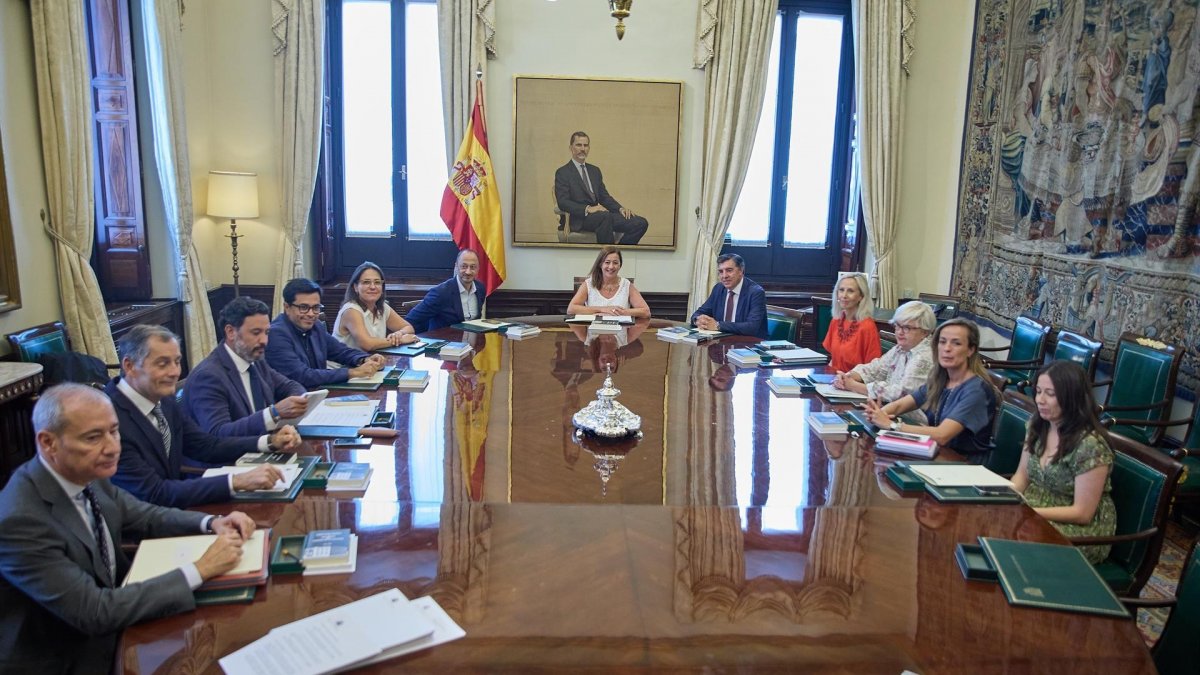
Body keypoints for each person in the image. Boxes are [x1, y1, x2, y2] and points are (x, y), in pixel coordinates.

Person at [0, 384, 256, 673]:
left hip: (119, 624)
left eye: (114, 431)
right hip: (69, 658)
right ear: (48, 443)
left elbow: (144, 515)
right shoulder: (19, 519)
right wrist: (201, 568)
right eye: (93, 437)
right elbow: (95, 612)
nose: (112, 447)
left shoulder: (86, 472)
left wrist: (210, 522)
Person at [107, 325, 301, 508]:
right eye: (163, 364)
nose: (174, 372)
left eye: (176, 361)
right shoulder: (109, 419)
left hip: (175, 509)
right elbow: (154, 492)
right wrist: (236, 481)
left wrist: (270, 442)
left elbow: (207, 446)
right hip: (142, 529)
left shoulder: (162, 400)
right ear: (130, 366)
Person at [1011, 361, 1117, 563]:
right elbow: (1021, 477)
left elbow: (1082, 513)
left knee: (1015, 545)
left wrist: (1026, 513)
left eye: (1050, 394)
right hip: (1033, 511)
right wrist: (1004, 500)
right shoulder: (1036, 425)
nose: (1040, 400)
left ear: (1072, 397)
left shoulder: (1090, 445)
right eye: (1039, 391)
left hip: (1077, 528)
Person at [866, 318, 999, 459]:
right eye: (942, 342)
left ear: (970, 350)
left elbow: (942, 435)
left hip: (963, 465)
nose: (947, 348)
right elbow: (900, 405)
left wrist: (892, 426)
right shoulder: (940, 379)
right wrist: (879, 414)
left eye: (956, 343)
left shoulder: (977, 390)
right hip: (934, 455)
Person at [183, 297, 308, 438]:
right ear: (230, 332)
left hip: (263, 447)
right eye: (256, 333)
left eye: (266, 333)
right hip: (229, 458)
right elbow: (218, 434)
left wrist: (296, 403)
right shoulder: (207, 376)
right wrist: (273, 414)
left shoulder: (255, 360)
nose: (264, 341)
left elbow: (290, 386)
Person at [266, 277, 387, 387]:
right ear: (287, 307)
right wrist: (353, 372)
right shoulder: (276, 334)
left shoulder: (316, 326)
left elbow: (340, 351)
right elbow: (302, 376)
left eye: (316, 308)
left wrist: (365, 359)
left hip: (318, 394)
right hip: (292, 403)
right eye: (303, 308)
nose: (311, 314)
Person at [554, 131, 649, 245]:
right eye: (579, 145)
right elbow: (563, 202)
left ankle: (617, 253)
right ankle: (606, 256)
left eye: (586, 145)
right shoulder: (563, 172)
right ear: (571, 148)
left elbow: (604, 197)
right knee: (605, 216)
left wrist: (620, 209)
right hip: (579, 219)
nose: (582, 149)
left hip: (602, 216)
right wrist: (588, 208)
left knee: (640, 222)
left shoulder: (595, 171)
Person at [833, 301, 936, 402]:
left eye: (907, 328)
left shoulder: (925, 356)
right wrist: (847, 377)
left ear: (925, 332)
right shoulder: (901, 348)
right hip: (889, 411)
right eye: (897, 326)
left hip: (912, 417)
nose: (899, 332)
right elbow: (875, 368)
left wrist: (854, 386)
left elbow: (901, 393)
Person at [332, 261, 419, 348]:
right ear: (355, 287)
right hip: (346, 361)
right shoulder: (351, 310)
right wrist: (400, 340)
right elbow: (367, 344)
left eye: (377, 282)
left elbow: (408, 328)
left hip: (371, 359)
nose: (373, 287)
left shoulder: (382, 307)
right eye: (366, 282)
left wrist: (398, 334)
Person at [403, 250, 488, 333]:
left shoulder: (480, 288)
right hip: (445, 344)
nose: (468, 272)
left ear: (478, 269)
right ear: (456, 267)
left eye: (472, 267)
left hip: (472, 343)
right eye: (464, 266)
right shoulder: (440, 293)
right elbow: (410, 320)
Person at [690, 253, 768, 338]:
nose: (724, 276)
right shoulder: (718, 289)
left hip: (747, 345)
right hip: (720, 342)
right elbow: (698, 313)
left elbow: (752, 327)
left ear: (741, 271)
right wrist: (698, 320)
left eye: (729, 270)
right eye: (721, 271)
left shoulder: (755, 292)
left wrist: (718, 325)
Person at [567, 245, 651, 318]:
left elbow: (646, 312)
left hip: (620, 333)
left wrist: (618, 312)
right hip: (594, 333)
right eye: (607, 262)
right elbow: (571, 309)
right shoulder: (588, 284)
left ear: (620, 265)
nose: (611, 267)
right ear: (600, 264)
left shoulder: (626, 285)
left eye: (615, 263)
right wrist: (602, 309)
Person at [823, 273, 881, 372]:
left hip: (854, 382)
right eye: (841, 290)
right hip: (834, 380)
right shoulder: (836, 321)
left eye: (850, 291)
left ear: (861, 296)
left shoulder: (867, 326)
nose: (844, 295)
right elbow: (833, 360)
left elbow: (872, 369)